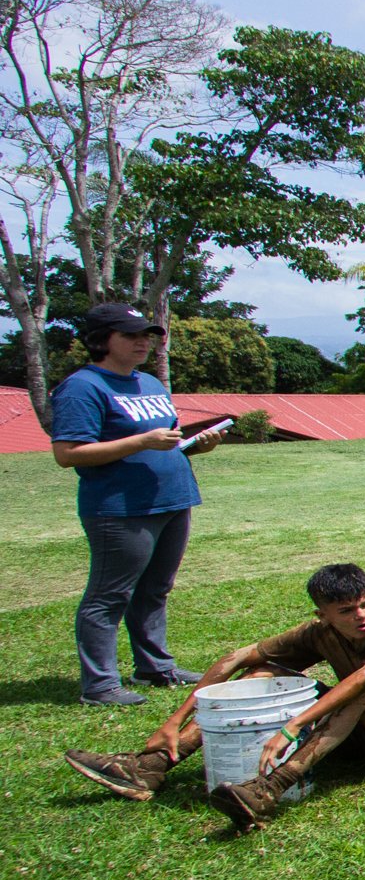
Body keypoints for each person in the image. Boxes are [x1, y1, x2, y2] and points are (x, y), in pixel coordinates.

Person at [62, 562, 365, 826]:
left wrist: (294, 725)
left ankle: (271, 787)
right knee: (262, 672)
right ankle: (153, 765)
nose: (361, 616)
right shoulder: (317, 632)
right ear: (323, 615)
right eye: (347, 610)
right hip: (360, 732)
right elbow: (235, 658)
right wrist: (175, 720)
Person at [50, 302, 228, 706]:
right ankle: (99, 685)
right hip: (120, 508)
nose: (143, 342)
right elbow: (69, 453)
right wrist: (142, 441)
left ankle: (154, 667)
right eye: (130, 335)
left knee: (155, 589)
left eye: (146, 335)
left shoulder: (148, 383)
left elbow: (166, 444)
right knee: (109, 594)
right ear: (101, 340)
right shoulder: (82, 387)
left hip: (171, 500)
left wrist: (195, 447)